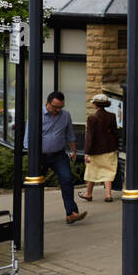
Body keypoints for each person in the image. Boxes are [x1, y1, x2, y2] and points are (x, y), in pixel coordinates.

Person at [25, 91, 85, 225]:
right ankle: (33, 216)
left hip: (59, 155)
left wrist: (73, 151)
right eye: (55, 107)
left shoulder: (65, 116)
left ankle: (71, 213)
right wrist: (32, 156)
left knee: (67, 179)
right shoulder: (36, 115)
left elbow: (69, 135)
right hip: (39, 156)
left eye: (60, 107)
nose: (58, 110)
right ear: (47, 103)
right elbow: (28, 139)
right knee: (36, 185)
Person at [81, 94, 119, 202]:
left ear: (95, 104)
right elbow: (115, 134)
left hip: (95, 151)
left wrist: (86, 152)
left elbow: (89, 137)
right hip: (109, 148)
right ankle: (108, 195)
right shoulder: (112, 116)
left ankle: (88, 194)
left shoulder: (92, 118)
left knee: (92, 172)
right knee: (108, 172)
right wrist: (115, 147)